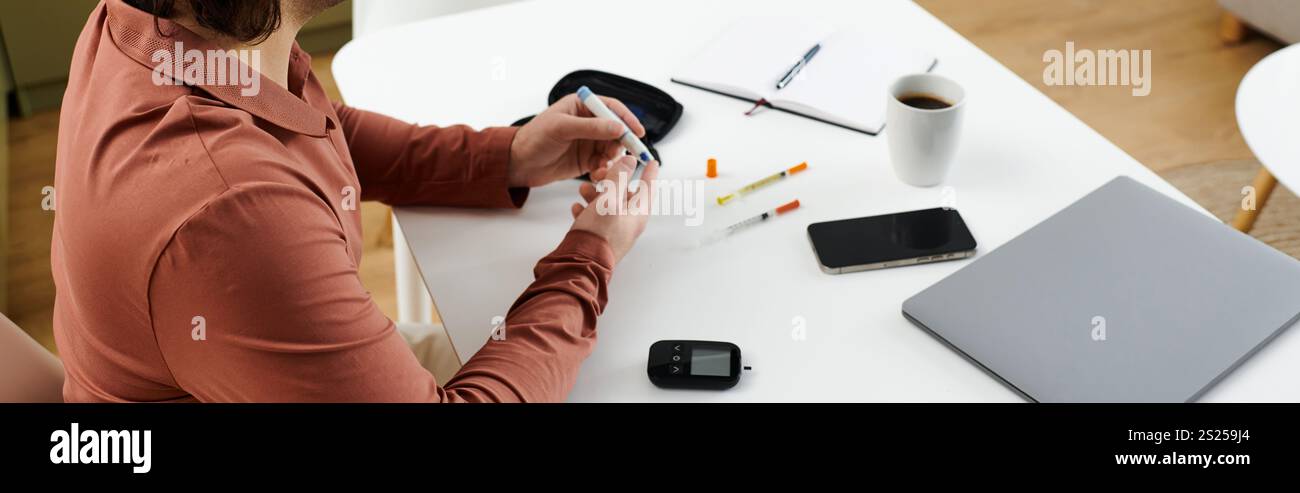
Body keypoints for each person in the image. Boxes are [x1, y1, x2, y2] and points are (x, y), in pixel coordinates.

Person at [51, 0, 659, 402]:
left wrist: (505, 156)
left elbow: (302, 128)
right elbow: (254, 201)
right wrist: (591, 255)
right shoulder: (235, 216)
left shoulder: (150, 28)